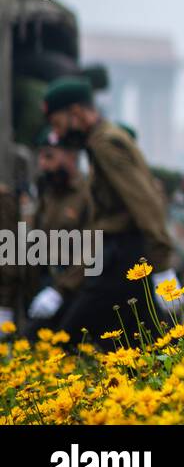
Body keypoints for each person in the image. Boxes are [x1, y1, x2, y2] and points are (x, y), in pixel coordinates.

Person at [40, 76, 179, 344]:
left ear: (77, 113)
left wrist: (162, 266)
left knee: (69, 336)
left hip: (123, 255)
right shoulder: (101, 142)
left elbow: (145, 201)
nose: (57, 134)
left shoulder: (105, 143)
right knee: (132, 340)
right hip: (120, 253)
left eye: (58, 124)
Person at [22, 126, 93, 337]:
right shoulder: (48, 191)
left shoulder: (87, 195)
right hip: (45, 287)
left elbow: (92, 251)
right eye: (41, 157)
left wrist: (60, 291)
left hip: (74, 292)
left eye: (49, 157)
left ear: (71, 156)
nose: (43, 164)